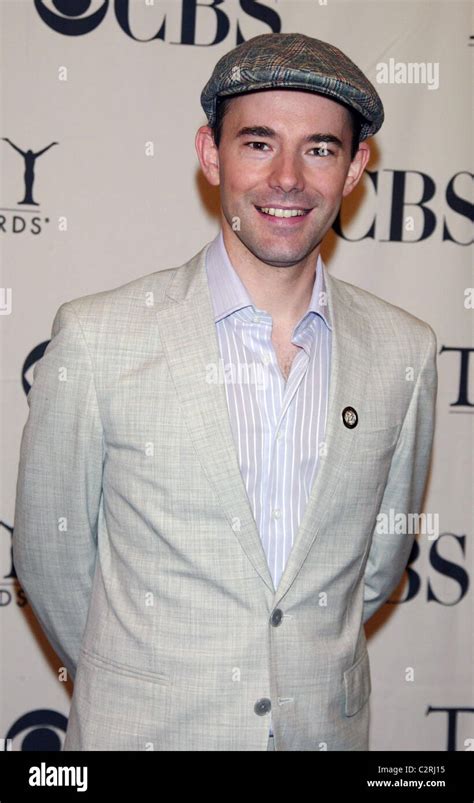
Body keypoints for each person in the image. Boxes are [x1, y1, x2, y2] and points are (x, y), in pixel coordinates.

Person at [13, 33, 437, 751]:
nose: (287, 179)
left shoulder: (406, 350)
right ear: (211, 155)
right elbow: (51, 560)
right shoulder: (97, 337)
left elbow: (373, 570)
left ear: (355, 167)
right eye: (259, 143)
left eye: (320, 149)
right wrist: (139, 679)